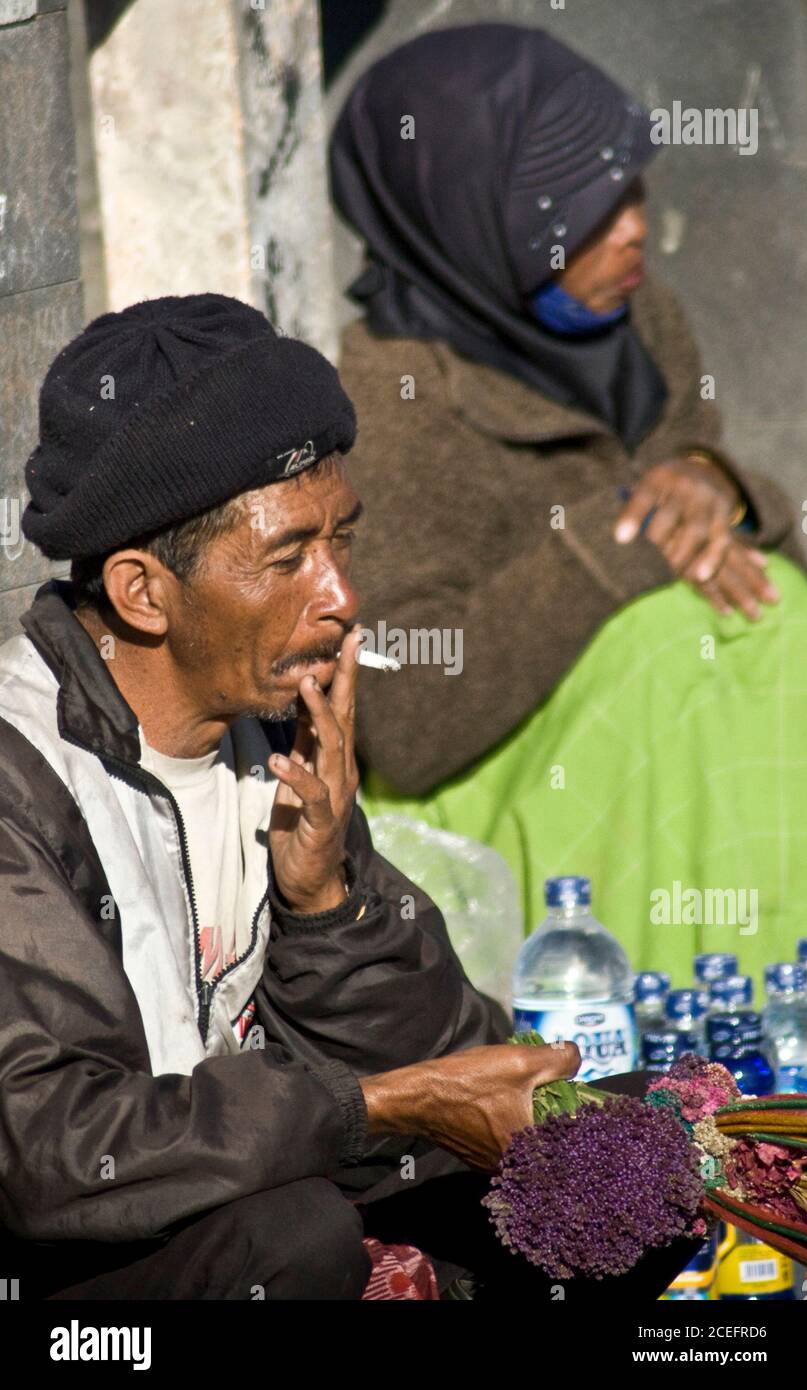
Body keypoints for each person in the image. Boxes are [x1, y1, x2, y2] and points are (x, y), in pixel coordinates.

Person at [0, 294, 700, 1301]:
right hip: (90, 1266)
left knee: (624, 1151)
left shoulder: (275, 725)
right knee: (292, 1242)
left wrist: (329, 904)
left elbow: (443, 1057)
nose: (341, 598)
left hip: (276, 1181)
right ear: (143, 592)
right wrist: (374, 1106)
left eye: (342, 543)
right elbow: (55, 1155)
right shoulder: (24, 776)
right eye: (289, 558)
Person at [330, 24, 807, 977]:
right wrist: (616, 538)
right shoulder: (386, 405)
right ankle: (689, 1042)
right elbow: (409, 723)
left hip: (669, 736)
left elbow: (703, 489)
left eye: (629, 188)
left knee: (779, 622)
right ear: (465, 217)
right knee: (674, 649)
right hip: (495, 789)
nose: (632, 226)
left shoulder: (636, 320)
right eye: (582, 211)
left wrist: (719, 492)